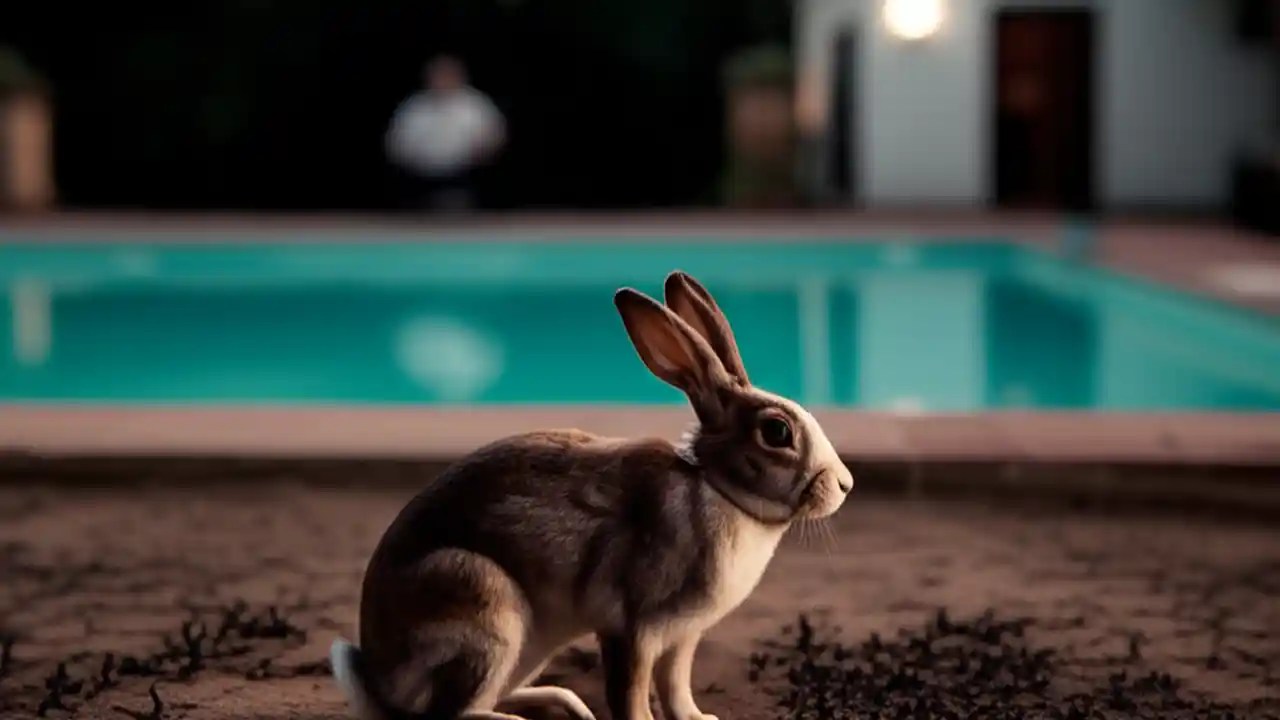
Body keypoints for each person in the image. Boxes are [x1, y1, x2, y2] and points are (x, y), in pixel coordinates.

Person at [385, 56, 505, 212]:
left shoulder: (475, 106)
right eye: (438, 76)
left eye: (447, 76)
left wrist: (481, 151)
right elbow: (396, 142)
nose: (442, 81)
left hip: (463, 177)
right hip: (419, 179)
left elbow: (495, 137)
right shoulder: (414, 107)